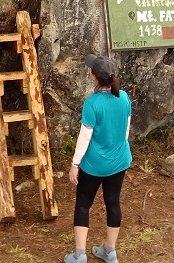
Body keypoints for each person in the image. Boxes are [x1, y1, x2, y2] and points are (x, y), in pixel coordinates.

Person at [65, 54, 133, 263]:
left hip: (94, 165)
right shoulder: (123, 97)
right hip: (119, 160)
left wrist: (75, 164)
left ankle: (79, 255)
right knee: (113, 202)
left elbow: (85, 137)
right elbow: (126, 131)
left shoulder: (92, 103)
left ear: (94, 76)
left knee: (83, 204)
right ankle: (110, 251)